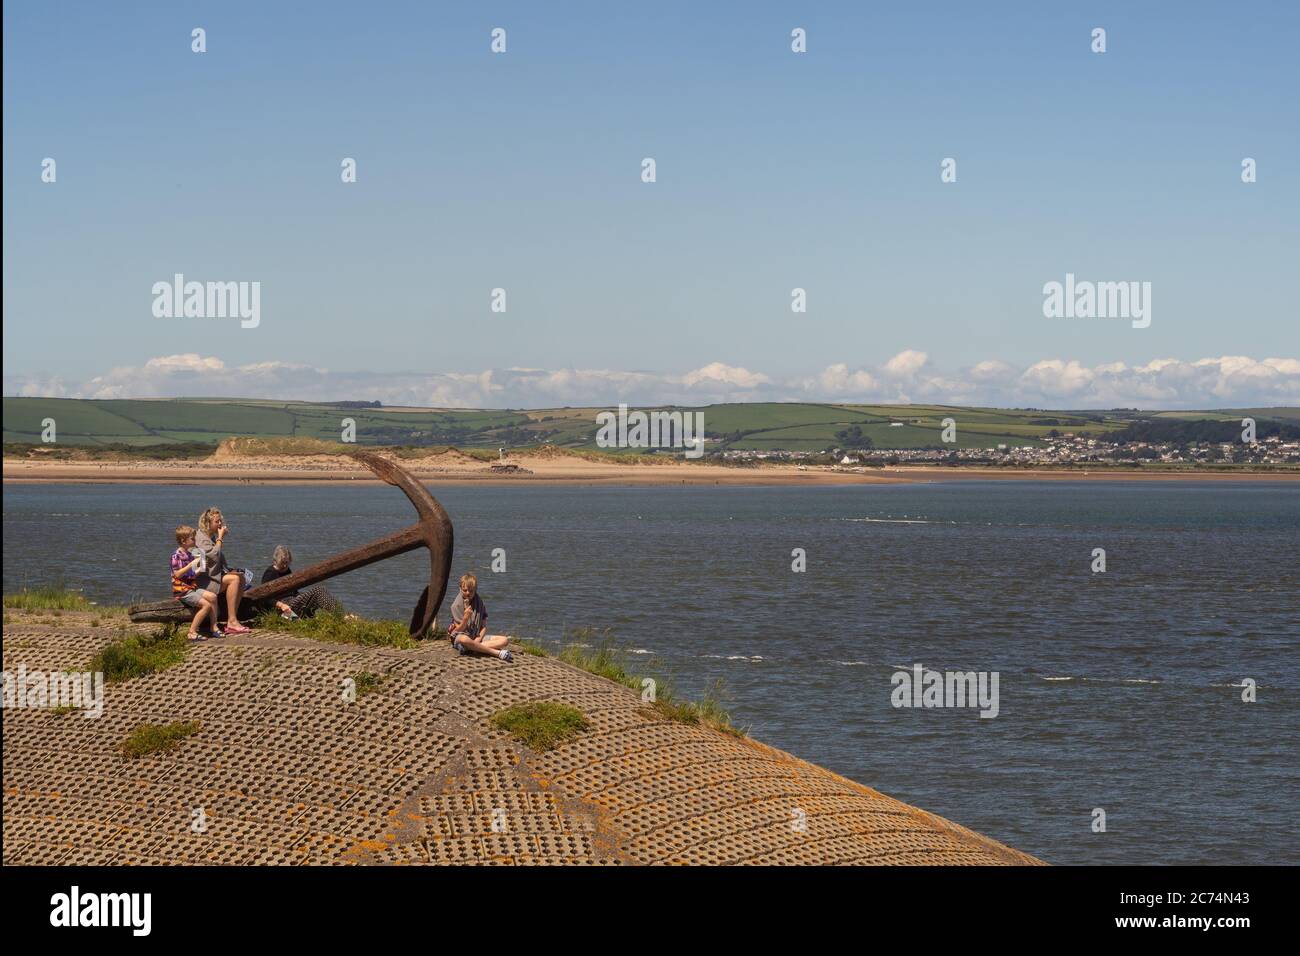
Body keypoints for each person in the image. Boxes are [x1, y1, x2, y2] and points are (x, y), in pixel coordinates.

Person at [194, 507, 252, 634]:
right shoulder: (200, 539)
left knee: (240, 577)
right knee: (234, 579)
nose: (220, 524)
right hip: (203, 582)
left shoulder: (210, 537)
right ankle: (231, 621)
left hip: (213, 577)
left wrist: (229, 570)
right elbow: (214, 555)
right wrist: (220, 538)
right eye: (217, 521)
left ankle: (233, 618)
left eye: (220, 521)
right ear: (207, 523)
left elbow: (216, 560)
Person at [259, 545, 342, 619]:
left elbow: (293, 591)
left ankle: (341, 615)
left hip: (292, 601)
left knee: (317, 594)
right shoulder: (270, 573)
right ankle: (341, 615)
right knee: (318, 591)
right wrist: (281, 605)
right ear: (276, 561)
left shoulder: (287, 570)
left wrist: (300, 596)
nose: (285, 565)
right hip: (282, 606)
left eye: (287, 562)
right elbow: (265, 598)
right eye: (282, 563)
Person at [171, 525, 221, 641]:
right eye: (192, 539)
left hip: (191, 587)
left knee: (213, 597)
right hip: (182, 590)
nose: (195, 541)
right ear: (184, 541)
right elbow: (177, 574)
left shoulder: (190, 554)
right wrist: (191, 564)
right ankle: (192, 632)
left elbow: (191, 575)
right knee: (206, 605)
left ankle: (214, 627)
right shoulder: (176, 556)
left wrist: (202, 567)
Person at [448, 573, 512, 661]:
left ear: (475, 590)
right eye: (465, 590)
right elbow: (457, 630)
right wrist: (466, 618)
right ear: (460, 589)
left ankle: (472, 648)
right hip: (460, 637)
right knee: (464, 639)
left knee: (504, 640)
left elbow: (484, 626)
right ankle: (497, 653)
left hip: (476, 636)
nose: (468, 593)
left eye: (471, 591)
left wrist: (477, 640)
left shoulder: (480, 603)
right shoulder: (456, 606)